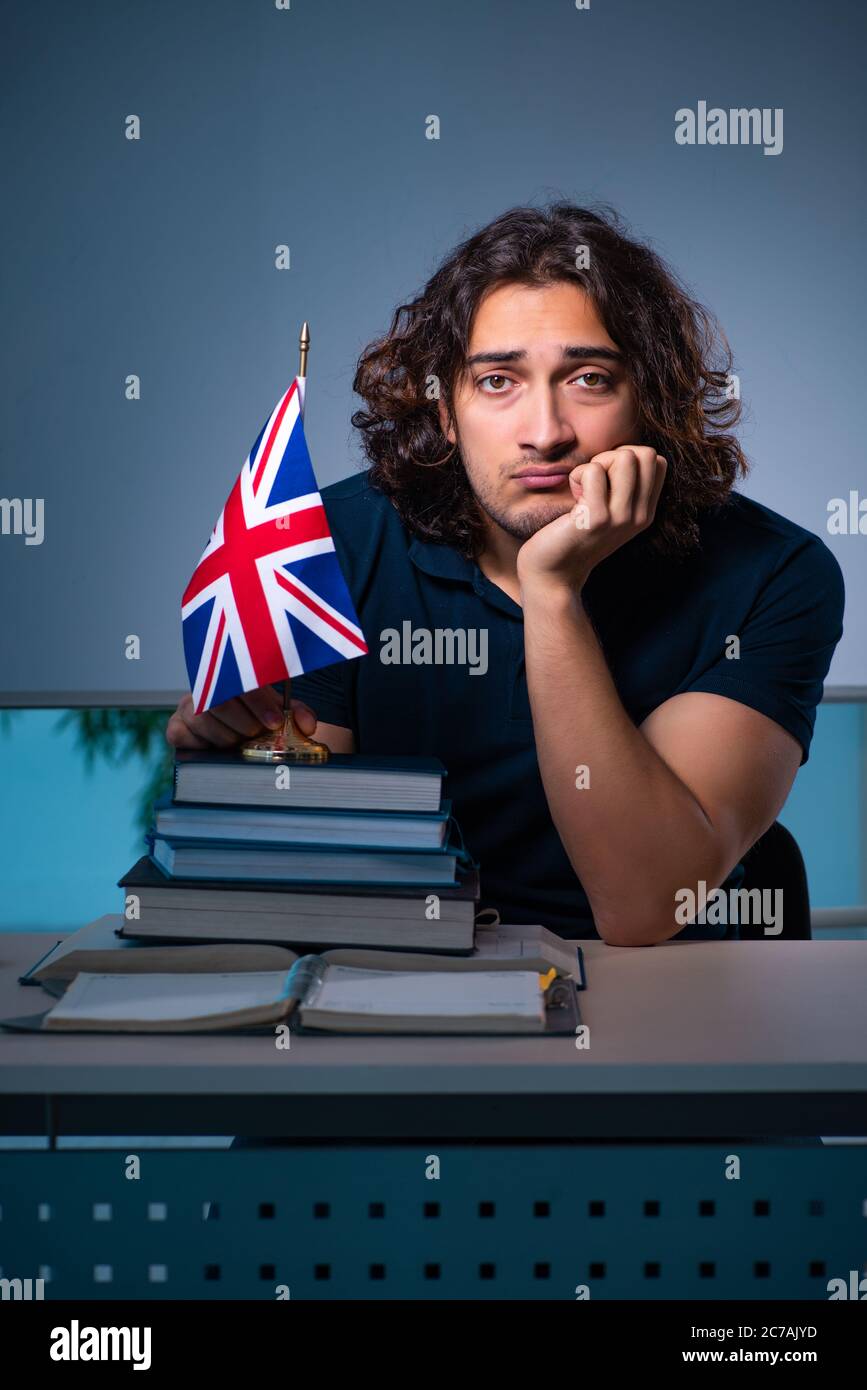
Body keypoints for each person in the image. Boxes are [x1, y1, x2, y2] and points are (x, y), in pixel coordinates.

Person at [166, 202, 844, 947]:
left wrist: (553, 593)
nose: (545, 431)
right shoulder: (329, 544)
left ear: (647, 401)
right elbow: (309, 880)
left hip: (672, 997)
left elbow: (645, 904)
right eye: (497, 381)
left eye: (588, 378)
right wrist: (231, 763)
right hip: (401, 978)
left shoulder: (773, 571)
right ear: (446, 410)